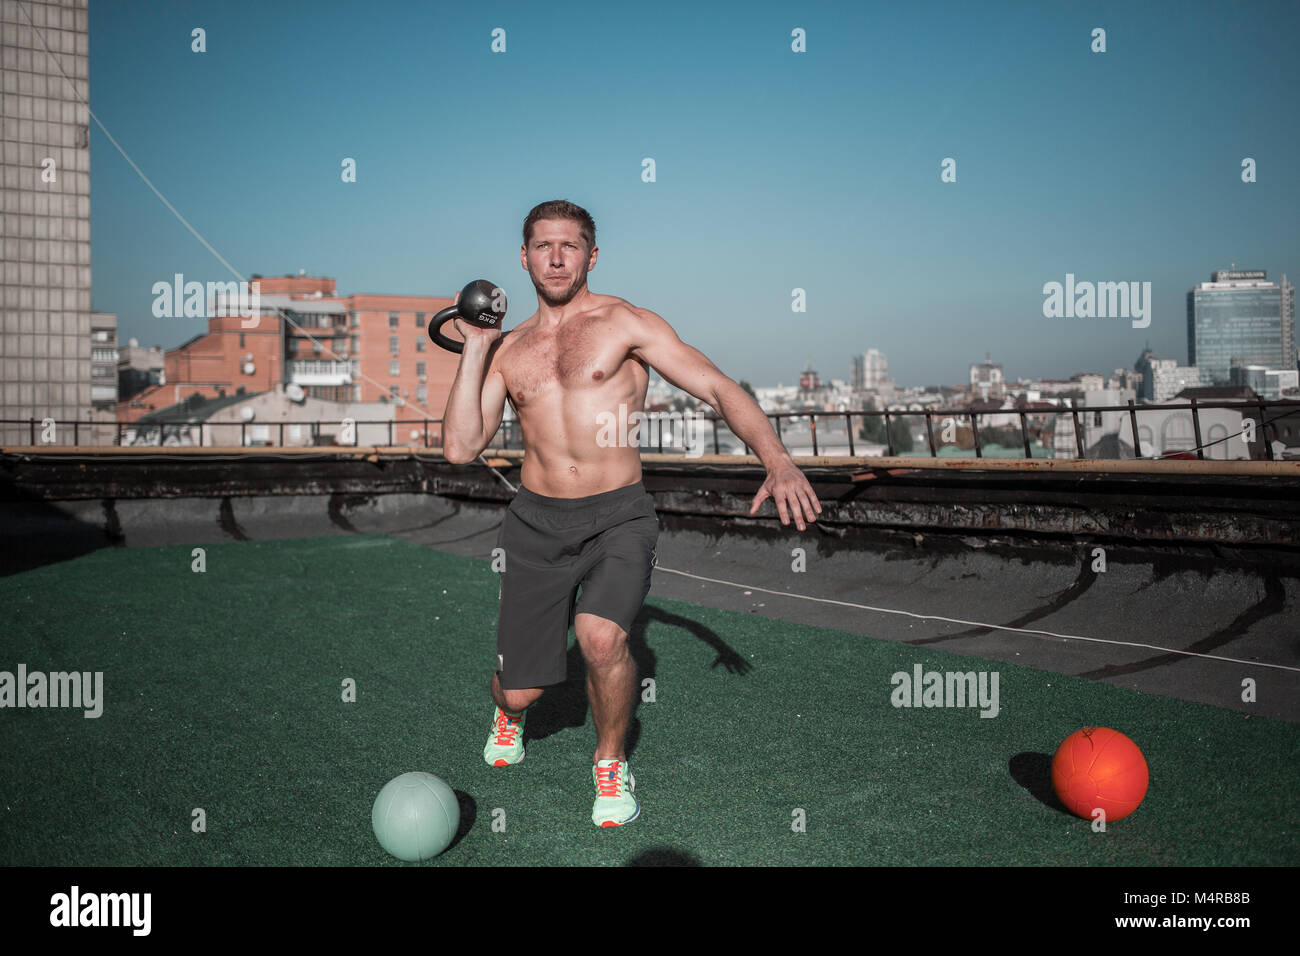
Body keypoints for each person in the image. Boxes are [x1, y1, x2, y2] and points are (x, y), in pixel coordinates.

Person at [442, 199, 821, 827]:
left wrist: (776, 459)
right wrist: (477, 346)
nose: (557, 257)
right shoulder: (508, 351)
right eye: (543, 246)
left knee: (601, 637)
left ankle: (610, 760)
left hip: (619, 514)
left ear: (592, 255)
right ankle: (508, 715)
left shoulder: (627, 324)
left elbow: (719, 387)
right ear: (523, 257)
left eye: (570, 246)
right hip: (535, 522)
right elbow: (459, 447)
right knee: (521, 689)